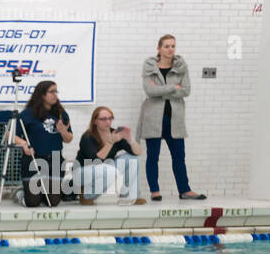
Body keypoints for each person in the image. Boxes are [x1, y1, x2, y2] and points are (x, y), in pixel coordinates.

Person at [141, 34, 205, 201]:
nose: (170, 49)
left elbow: (186, 91)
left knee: (179, 156)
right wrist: (172, 87)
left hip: (174, 117)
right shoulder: (149, 66)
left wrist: (162, 89)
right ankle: (154, 191)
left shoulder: (181, 66)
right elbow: (149, 91)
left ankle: (185, 190)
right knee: (153, 156)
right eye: (167, 46)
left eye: (173, 46)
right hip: (153, 117)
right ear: (159, 48)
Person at [13, 80, 73, 207]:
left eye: (56, 91)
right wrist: (24, 144)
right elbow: (11, 134)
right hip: (34, 161)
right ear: (42, 94)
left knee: (53, 202)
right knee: (33, 202)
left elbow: (68, 139)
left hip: (55, 161)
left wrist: (63, 131)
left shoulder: (61, 113)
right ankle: (20, 193)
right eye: (52, 92)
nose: (55, 95)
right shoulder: (28, 113)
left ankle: (42, 191)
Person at [76, 106, 145, 206]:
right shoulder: (87, 137)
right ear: (95, 121)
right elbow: (96, 161)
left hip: (105, 169)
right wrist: (110, 142)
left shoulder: (115, 133)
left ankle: (130, 195)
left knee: (133, 159)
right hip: (84, 171)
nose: (108, 122)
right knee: (108, 171)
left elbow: (138, 152)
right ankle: (86, 195)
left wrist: (130, 140)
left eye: (110, 118)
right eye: (103, 119)